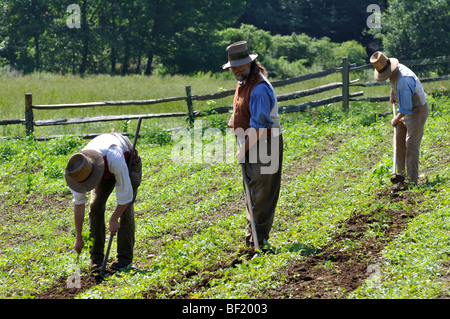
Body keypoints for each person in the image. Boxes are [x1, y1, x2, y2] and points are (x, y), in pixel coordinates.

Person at [222, 41, 283, 249]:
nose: (237, 70)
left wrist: (242, 151)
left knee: (261, 195)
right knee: (251, 191)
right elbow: (240, 105)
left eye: (240, 66)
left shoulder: (259, 89)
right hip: (248, 142)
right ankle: (252, 239)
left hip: (265, 144)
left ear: (250, 63)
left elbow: (259, 128)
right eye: (233, 67)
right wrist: (234, 119)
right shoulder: (243, 82)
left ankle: (259, 241)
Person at [65, 133, 142, 271]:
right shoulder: (78, 170)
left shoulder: (114, 158)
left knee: (126, 210)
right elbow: (79, 203)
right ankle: (96, 259)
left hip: (128, 161)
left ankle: (124, 260)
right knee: (95, 207)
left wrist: (114, 219)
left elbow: (125, 196)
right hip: (103, 166)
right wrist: (78, 237)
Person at [370, 51, 428, 187]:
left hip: (416, 110)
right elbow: (393, 84)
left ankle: (412, 181)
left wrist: (396, 119)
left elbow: (406, 107)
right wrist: (393, 93)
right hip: (405, 108)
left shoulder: (403, 79)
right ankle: (400, 177)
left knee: (411, 145)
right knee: (399, 143)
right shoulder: (393, 72)